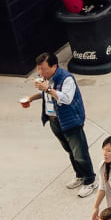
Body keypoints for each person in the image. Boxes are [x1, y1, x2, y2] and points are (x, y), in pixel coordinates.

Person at [24, 51, 96, 195]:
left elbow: (66, 98)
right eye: (38, 69)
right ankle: (80, 175)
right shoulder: (45, 78)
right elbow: (46, 94)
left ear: (54, 66)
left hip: (70, 121)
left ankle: (90, 181)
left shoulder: (67, 79)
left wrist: (48, 88)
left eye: (43, 69)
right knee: (70, 151)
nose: (40, 72)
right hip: (54, 121)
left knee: (80, 153)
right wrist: (31, 98)